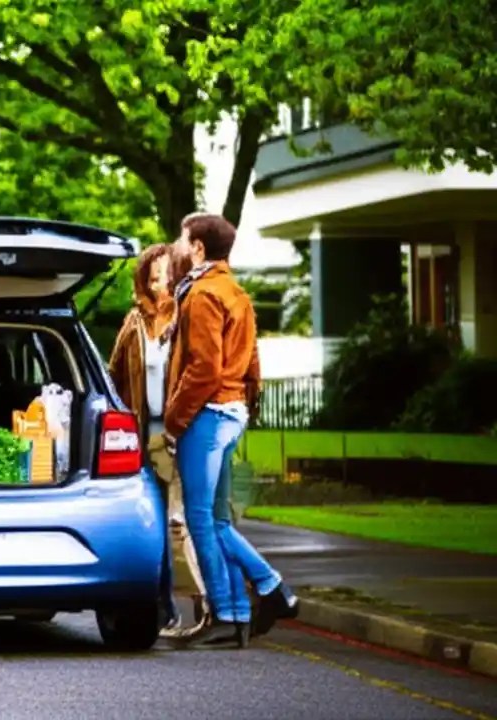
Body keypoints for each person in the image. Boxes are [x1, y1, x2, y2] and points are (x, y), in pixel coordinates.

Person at [164, 213, 299, 648]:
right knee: (218, 519)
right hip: (232, 410)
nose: (179, 247)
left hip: (207, 413)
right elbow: (252, 362)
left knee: (202, 520)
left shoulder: (203, 294)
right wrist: (246, 403)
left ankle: (260, 591)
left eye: (184, 241)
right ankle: (240, 614)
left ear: (199, 248)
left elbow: (203, 368)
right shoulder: (236, 292)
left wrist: (173, 420)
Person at [107, 244, 209, 637]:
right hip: (142, 437)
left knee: (182, 525)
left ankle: (207, 604)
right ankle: (166, 610)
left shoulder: (186, 319)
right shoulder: (133, 323)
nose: (160, 284)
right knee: (156, 529)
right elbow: (114, 374)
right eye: (152, 278)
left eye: (166, 276)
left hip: (178, 434)